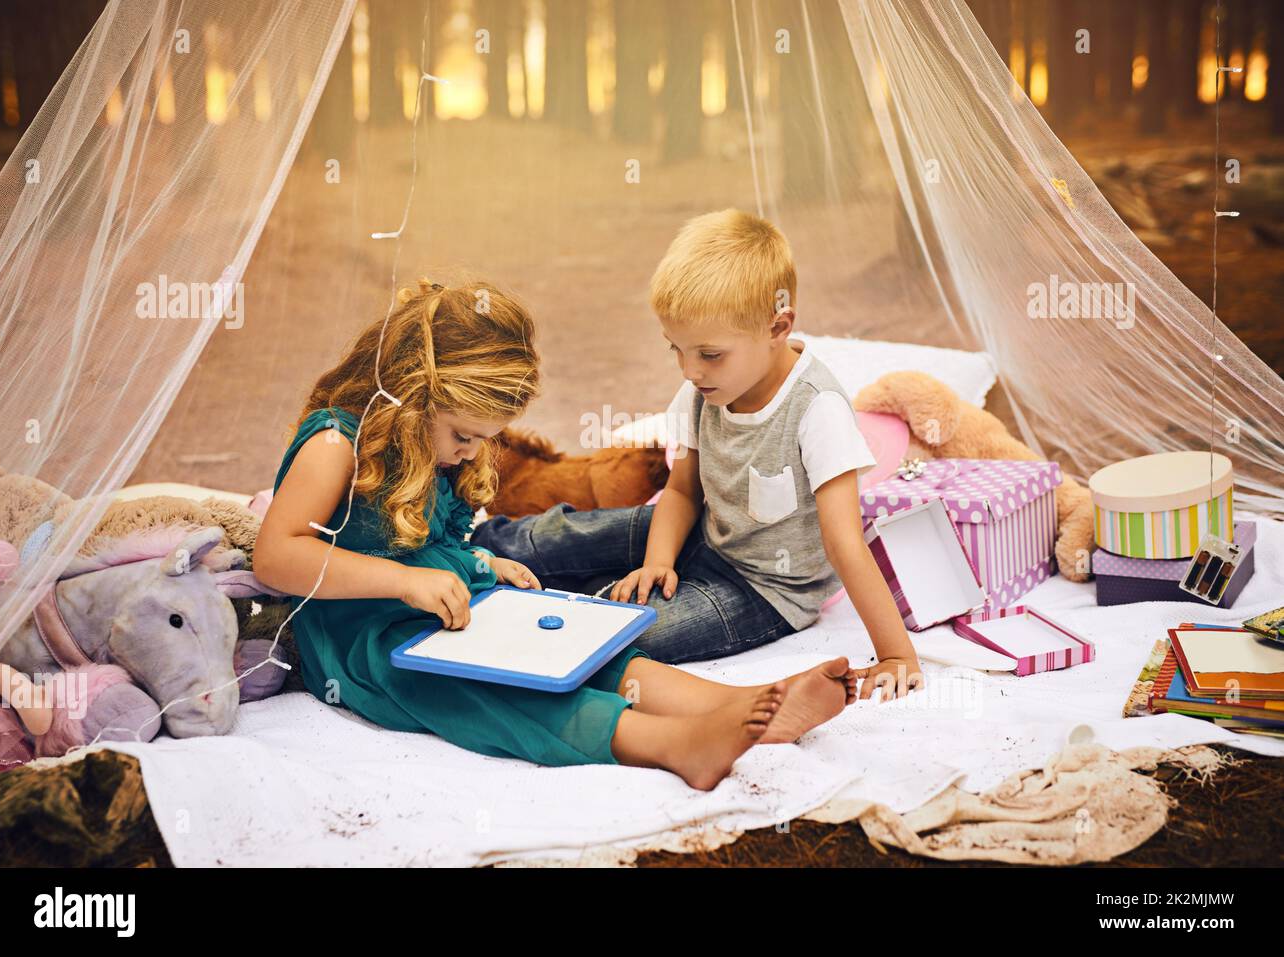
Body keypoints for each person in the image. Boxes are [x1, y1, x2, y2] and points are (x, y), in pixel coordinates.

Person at [252, 278, 858, 791]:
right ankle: (672, 743)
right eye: (463, 436)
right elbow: (277, 557)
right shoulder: (334, 445)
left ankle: (741, 704)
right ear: (412, 396)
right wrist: (404, 581)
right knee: (485, 691)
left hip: (439, 609)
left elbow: (434, 543)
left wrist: (481, 565)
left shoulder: (439, 449)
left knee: (564, 652)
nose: (468, 456)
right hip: (363, 636)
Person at [471, 211, 924, 698]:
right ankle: (472, 550)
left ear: (778, 327)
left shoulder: (817, 409)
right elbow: (683, 491)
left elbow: (844, 543)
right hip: (703, 533)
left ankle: (560, 608)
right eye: (676, 350)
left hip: (764, 590)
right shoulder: (702, 390)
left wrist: (896, 654)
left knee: (634, 634)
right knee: (570, 532)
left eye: (709, 354)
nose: (689, 370)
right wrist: (657, 562)